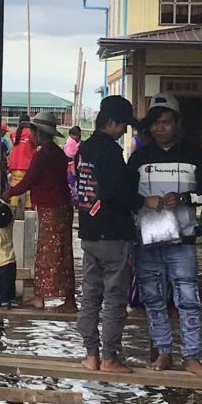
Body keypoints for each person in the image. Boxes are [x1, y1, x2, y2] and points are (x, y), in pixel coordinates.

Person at [127, 94, 202, 373]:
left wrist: (184, 198)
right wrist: (144, 202)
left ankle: (191, 356)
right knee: (153, 297)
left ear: (178, 123)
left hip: (184, 240)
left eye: (166, 122)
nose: (160, 128)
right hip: (148, 240)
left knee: (188, 297)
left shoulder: (195, 154)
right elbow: (125, 194)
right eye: (155, 123)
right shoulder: (139, 157)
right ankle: (163, 352)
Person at [73, 95, 137, 372]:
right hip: (113, 233)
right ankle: (109, 357)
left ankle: (90, 355)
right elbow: (115, 193)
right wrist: (140, 200)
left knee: (90, 294)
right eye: (122, 125)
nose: (124, 131)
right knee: (113, 297)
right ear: (111, 122)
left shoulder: (84, 148)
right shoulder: (110, 152)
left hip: (89, 231)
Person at [5, 117, 74, 310]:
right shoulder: (59, 154)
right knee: (64, 252)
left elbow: (28, 182)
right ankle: (69, 299)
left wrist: (9, 192)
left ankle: (39, 298)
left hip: (49, 209)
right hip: (64, 207)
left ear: (39, 134)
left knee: (45, 252)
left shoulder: (41, 156)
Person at [5, 122, 35, 208]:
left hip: (15, 165)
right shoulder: (31, 134)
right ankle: (29, 209)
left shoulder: (13, 133)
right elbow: (35, 145)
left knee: (15, 187)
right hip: (27, 166)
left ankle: (13, 208)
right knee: (29, 187)